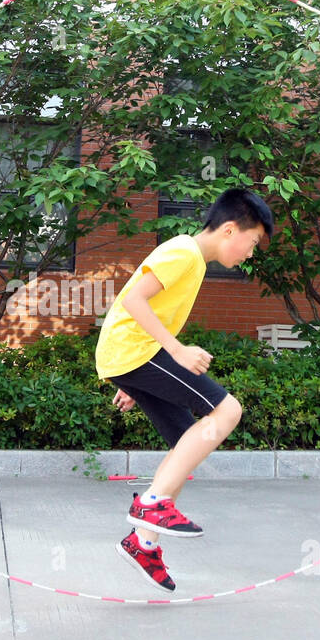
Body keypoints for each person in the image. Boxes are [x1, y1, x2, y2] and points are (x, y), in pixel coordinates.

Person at [95, 187, 273, 592]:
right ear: (230, 230)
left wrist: (135, 383)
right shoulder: (183, 251)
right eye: (253, 242)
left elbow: (150, 309)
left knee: (186, 443)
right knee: (227, 411)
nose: (251, 253)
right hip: (135, 352)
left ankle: (143, 543)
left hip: (134, 358)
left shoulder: (193, 261)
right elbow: (134, 300)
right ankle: (151, 505)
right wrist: (175, 350)